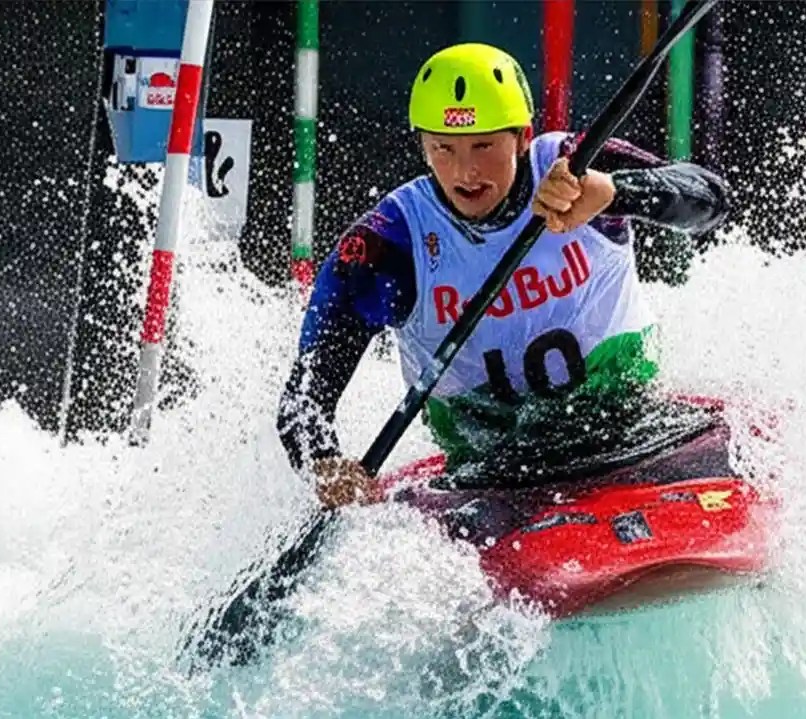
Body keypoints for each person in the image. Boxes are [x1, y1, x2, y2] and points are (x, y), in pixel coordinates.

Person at [277, 43, 731, 509]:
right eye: (443, 149)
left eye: (483, 145)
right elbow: (303, 398)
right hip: (492, 476)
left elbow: (712, 198)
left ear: (521, 137)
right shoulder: (389, 243)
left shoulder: (576, 164)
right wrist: (323, 463)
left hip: (636, 428)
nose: (465, 171)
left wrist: (617, 192)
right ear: (423, 146)